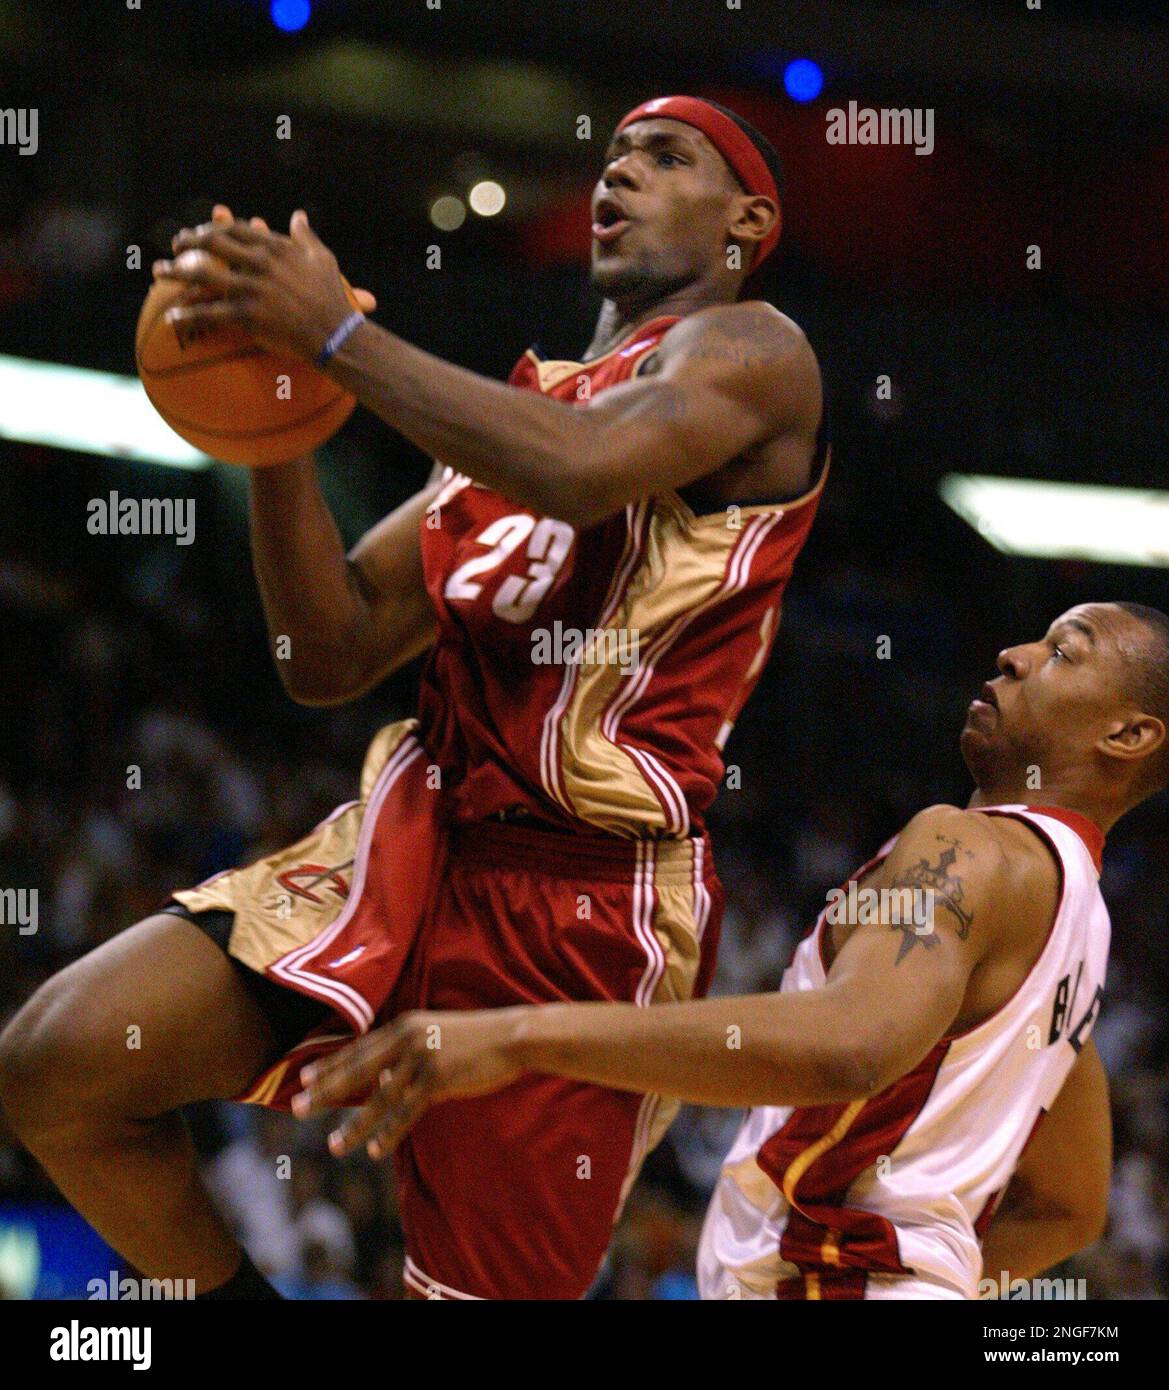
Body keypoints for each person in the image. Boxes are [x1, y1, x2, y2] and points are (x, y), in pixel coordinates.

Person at [0, 96, 828, 1301]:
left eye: (664, 157)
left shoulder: (756, 351)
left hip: (581, 906)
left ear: (746, 221)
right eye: (610, 156)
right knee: (55, 1064)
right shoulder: (515, 417)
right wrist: (277, 424)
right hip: (415, 835)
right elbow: (322, 652)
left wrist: (337, 336)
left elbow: (585, 472)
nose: (619, 173)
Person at [297, 603, 1169, 1299]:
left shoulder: (968, 849)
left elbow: (848, 1047)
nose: (1013, 654)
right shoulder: (1080, 927)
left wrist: (519, 1037)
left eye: (1063, 652)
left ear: (1128, 737)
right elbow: (1068, 1205)